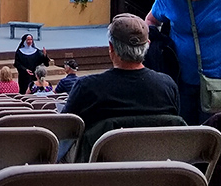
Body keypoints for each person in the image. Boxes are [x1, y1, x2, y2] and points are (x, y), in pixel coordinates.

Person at [62, 14, 180, 145]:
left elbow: (66, 129)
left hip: (100, 163)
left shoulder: (86, 87)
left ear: (111, 47)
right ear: (148, 45)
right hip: (157, 160)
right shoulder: (167, 85)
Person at [146, 0, 221, 125]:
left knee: (212, 138)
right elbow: (150, 22)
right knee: (184, 134)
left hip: (217, 81)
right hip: (181, 78)